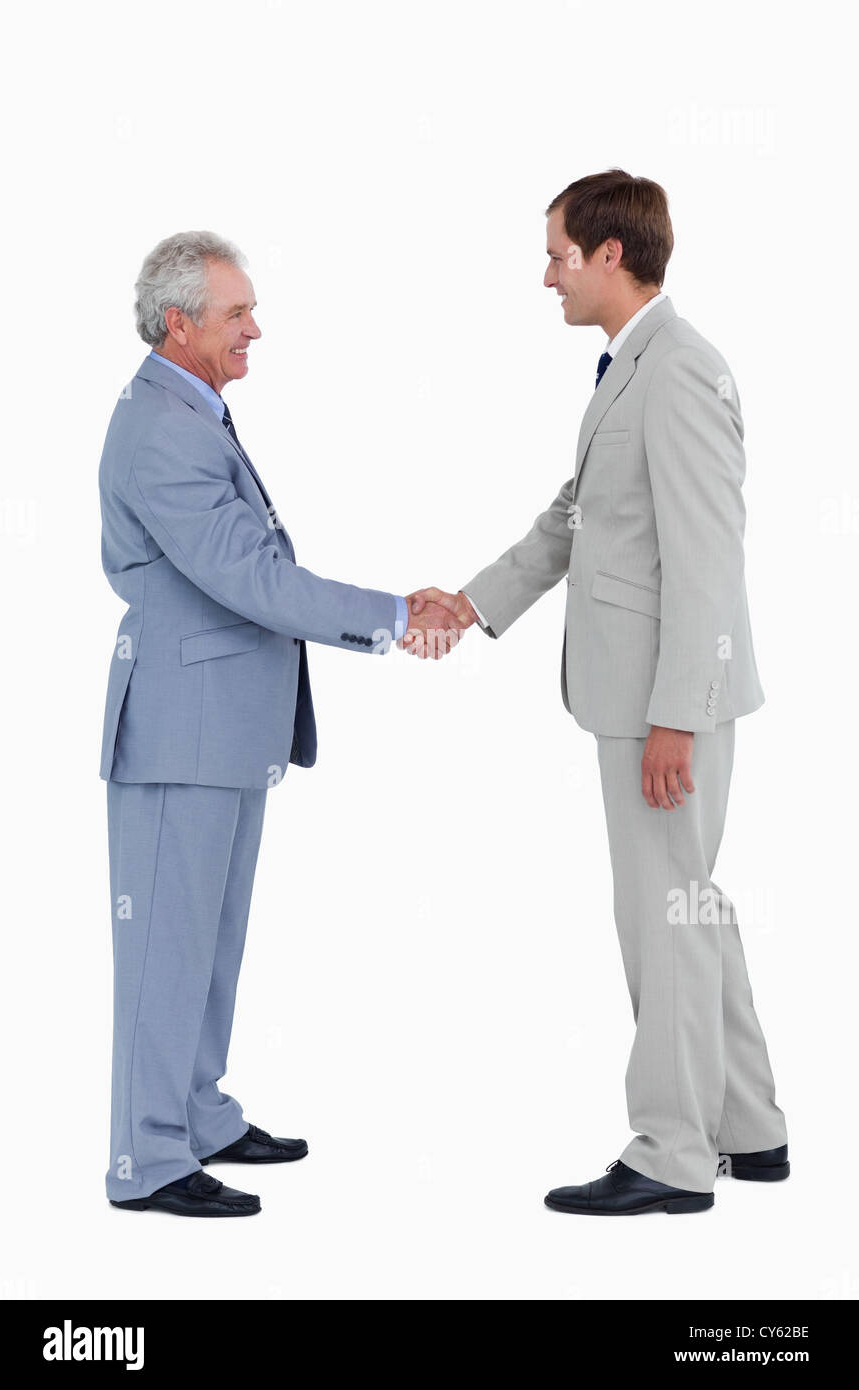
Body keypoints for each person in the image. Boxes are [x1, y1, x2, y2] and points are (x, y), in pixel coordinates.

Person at [406, 169, 789, 1216]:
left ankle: (671, 1153)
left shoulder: (677, 371)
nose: (546, 276)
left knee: (660, 921)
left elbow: (707, 559)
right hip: (643, 698)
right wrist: (470, 605)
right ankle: (747, 1128)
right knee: (690, 907)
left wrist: (675, 715)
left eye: (557, 254)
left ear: (610, 255)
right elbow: (574, 522)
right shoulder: (631, 366)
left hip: (662, 707)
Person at [99, 231, 462, 1217]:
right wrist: (393, 616)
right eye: (235, 313)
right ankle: (147, 1158)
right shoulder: (163, 428)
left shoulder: (189, 409)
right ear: (178, 325)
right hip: (181, 729)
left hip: (220, 727)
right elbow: (250, 579)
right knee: (164, 948)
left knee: (208, 940)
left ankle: (199, 1114)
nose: (254, 327)